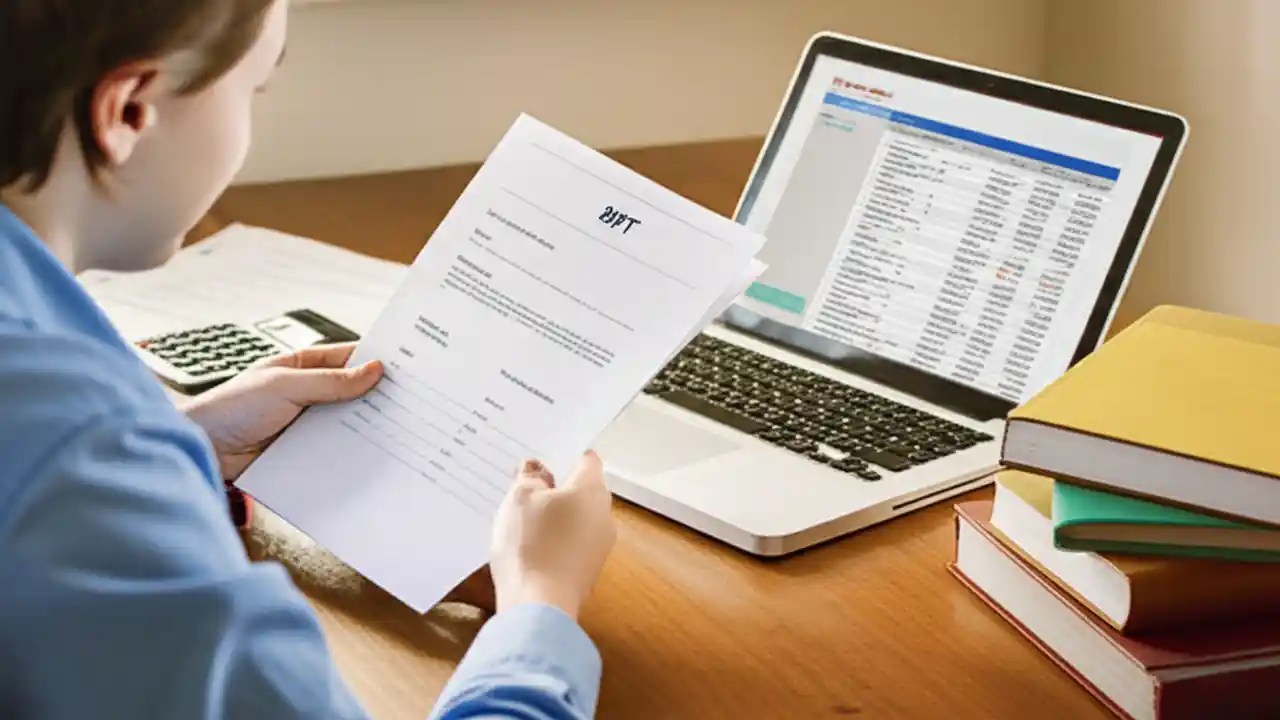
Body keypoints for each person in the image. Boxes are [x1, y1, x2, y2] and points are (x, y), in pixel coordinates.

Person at [0, 1, 617, 718]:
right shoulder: (65, 442)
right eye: (252, 89)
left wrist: (188, 445)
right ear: (128, 112)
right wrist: (542, 601)